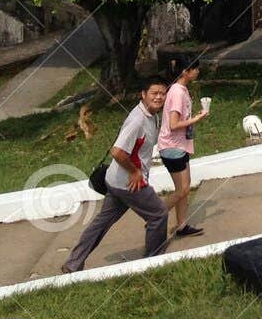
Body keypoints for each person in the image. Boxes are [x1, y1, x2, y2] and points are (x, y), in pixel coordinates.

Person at [61, 78, 168, 274]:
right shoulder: (137, 121)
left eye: (162, 93)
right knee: (158, 215)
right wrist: (135, 172)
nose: (159, 97)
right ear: (143, 95)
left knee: (101, 223)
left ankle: (72, 264)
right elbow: (117, 152)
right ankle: (153, 261)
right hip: (130, 183)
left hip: (115, 181)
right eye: (154, 93)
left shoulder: (152, 116)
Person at [159, 58, 209, 239]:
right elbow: (173, 124)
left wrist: (193, 117)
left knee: (185, 188)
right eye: (194, 69)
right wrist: (196, 120)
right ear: (184, 72)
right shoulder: (177, 93)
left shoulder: (180, 90)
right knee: (182, 190)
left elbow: (179, 119)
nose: (197, 71)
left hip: (180, 146)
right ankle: (156, 216)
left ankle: (181, 226)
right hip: (172, 148)